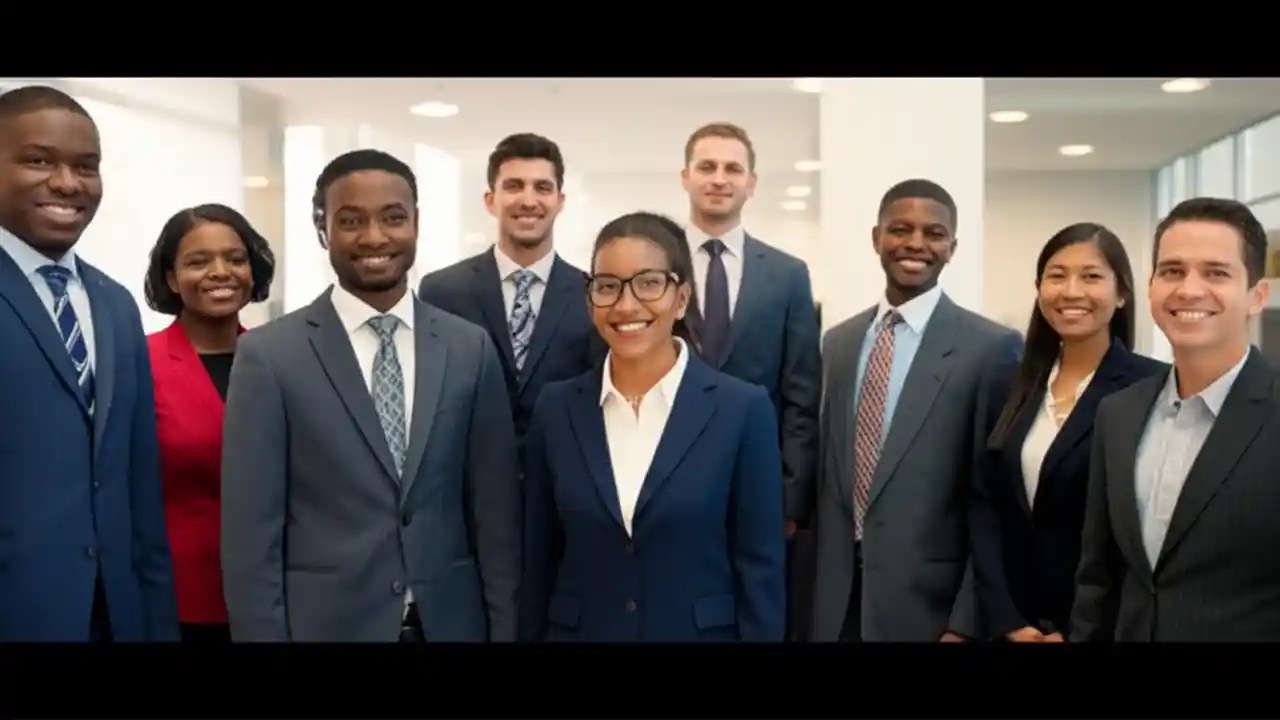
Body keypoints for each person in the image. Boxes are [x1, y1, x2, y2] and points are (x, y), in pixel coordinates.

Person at [220, 148, 521, 642]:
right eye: (352, 220)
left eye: (393, 218)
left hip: (451, 624)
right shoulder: (268, 357)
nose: (375, 237)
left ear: (417, 224)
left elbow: (497, 522)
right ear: (323, 230)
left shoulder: (470, 349)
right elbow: (250, 541)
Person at [519, 211, 786, 641]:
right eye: (607, 286)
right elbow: (538, 562)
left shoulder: (742, 409)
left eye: (648, 283)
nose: (627, 305)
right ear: (590, 301)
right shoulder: (556, 410)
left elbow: (761, 572)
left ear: (681, 298)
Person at [0, 84, 178, 641]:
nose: (68, 184)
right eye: (37, 161)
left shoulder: (116, 303)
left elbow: (138, 484)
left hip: (116, 614)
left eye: (87, 166)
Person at [809, 178, 1022, 642]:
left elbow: (992, 499)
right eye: (900, 229)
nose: (915, 244)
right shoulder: (839, 343)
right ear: (876, 238)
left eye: (934, 234)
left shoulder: (990, 348)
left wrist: (966, 621)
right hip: (835, 604)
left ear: (952, 247)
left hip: (932, 611)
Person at [1071, 197, 1280, 642]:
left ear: (1256, 296)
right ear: (1150, 288)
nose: (1188, 289)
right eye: (1172, 271)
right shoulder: (1119, 413)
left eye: (1216, 273)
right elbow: (1098, 578)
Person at [970, 222, 1165, 642]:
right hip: (1010, 625)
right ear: (1039, 288)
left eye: (1092, 276)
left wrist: (1080, 629)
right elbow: (985, 508)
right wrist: (1007, 620)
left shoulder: (1152, 388)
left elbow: (1140, 533)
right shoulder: (1006, 383)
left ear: (1123, 293)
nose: (1071, 291)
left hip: (1099, 626)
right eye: (1057, 275)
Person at [677, 121, 821, 638]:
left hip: (759, 486)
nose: (719, 178)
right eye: (707, 167)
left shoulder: (787, 275)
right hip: (668, 482)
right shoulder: (655, 264)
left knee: (754, 614)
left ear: (752, 183)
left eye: (732, 168)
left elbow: (802, 395)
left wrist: (791, 500)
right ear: (685, 177)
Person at [418, 133, 604, 461]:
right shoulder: (442, 291)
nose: (528, 200)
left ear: (561, 200)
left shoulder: (593, 293)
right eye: (514, 186)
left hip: (562, 484)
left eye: (542, 188)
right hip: (467, 485)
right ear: (490, 199)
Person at [143, 203, 276, 643]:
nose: (220, 272)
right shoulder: (138, 364)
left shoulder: (282, 359)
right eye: (198, 262)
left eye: (235, 259)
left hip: (276, 598)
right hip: (177, 604)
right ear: (170, 278)